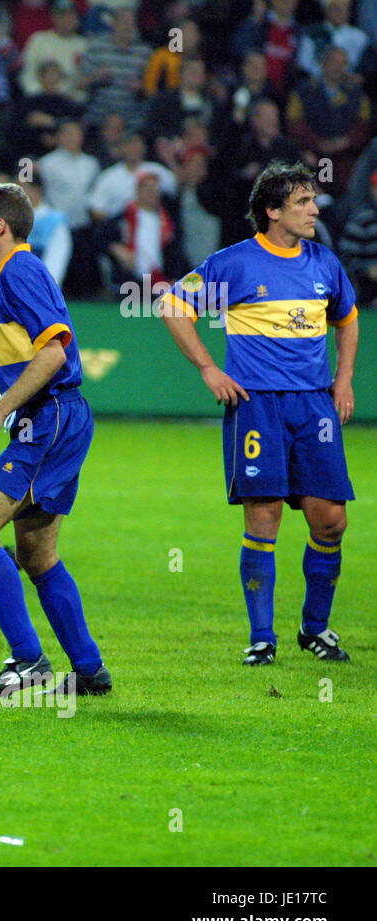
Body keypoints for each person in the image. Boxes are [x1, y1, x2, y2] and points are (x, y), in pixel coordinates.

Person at [159, 161, 358, 666]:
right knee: (263, 515)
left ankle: (315, 629)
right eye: (303, 203)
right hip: (257, 406)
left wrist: (344, 379)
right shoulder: (234, 263)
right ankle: (262, 637)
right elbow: (173, 307)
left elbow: (347, 319)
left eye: (313, 201)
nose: (314, 210)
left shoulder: (323, 262)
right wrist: (208, 368)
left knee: (330, 520)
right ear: (273, 212)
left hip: (313, 404)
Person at [0, 182, 111, 699]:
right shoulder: (13, 275)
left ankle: (29, 661)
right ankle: (88, 671)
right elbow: (33, 349)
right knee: (37, 553)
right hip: (59, 418)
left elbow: (55, 353)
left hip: (50, 418)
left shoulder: (19, 271)